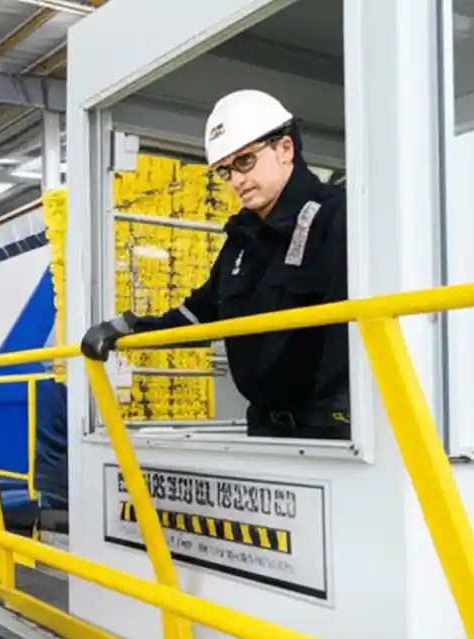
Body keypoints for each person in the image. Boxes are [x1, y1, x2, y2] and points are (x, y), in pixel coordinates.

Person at [80, 89, 350, 440]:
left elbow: (351, 332)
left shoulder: (336, 217)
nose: (236, 180)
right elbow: (197, 315)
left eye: (244, 162)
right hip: (267, 429)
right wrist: (128, 329)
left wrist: (343, 420)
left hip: (330, 433)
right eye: (224, 171)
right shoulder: (242, 240)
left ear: (285, 149)